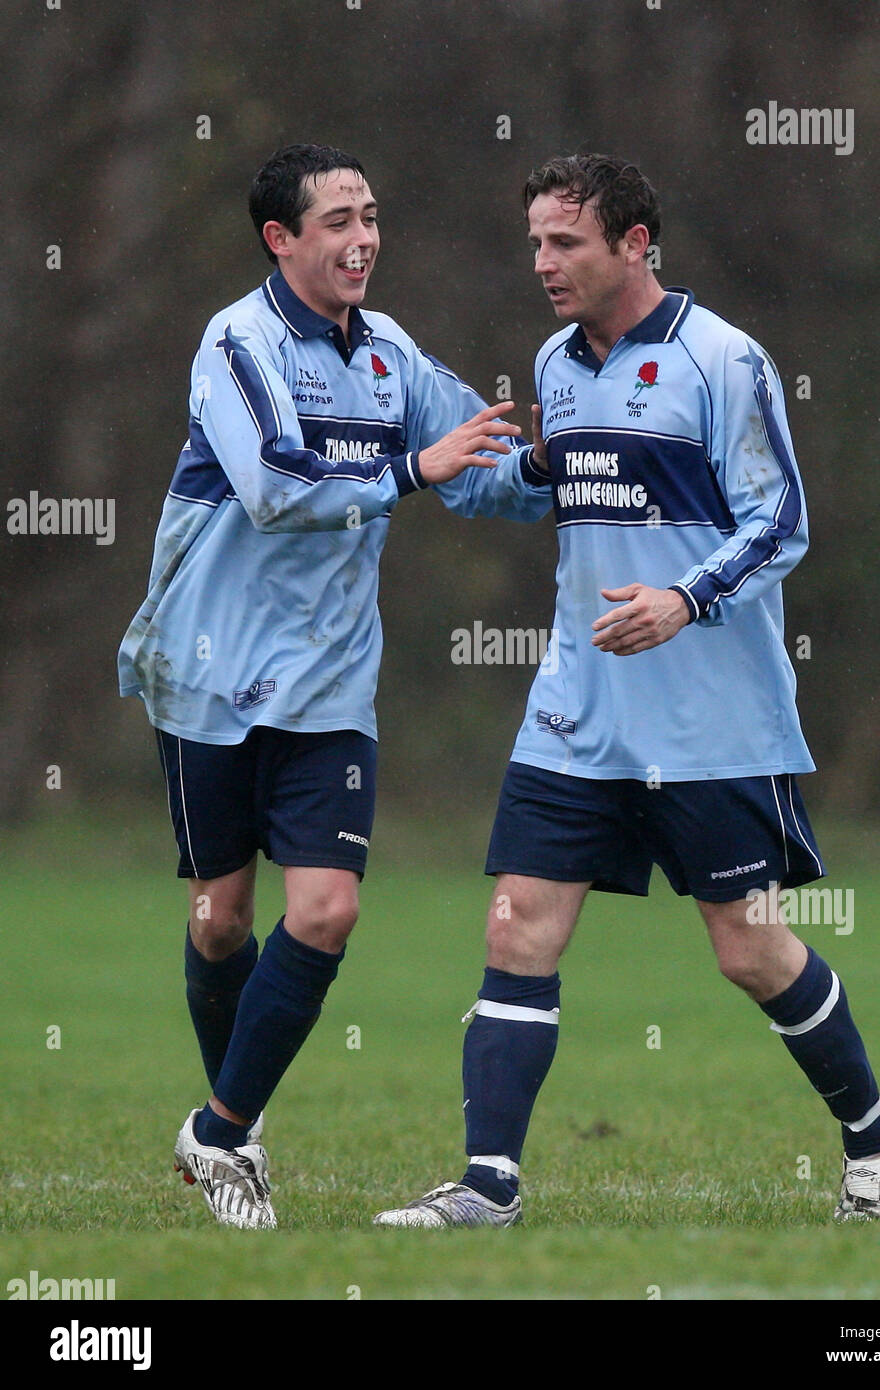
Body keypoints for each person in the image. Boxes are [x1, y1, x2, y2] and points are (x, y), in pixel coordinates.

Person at [374, 153, 880, 1230]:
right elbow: (559, 483)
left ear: (634, 244)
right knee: (517, 922)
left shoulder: (724, 360)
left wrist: (682, 597)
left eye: (564, 241)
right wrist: (465, 468)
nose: (543, 262)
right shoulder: (557, 364)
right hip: (578, 711)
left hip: (711, 721)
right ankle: (489, 1184)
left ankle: (872, 1135)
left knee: (747, 946)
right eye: (534, 240)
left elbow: (778, 521)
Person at [117, 143, 553, 1229]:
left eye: (372, 215)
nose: (364, 238)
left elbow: (480, 466)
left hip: (330, 692)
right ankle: (242, 1137)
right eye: (339, 221)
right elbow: (271, 487)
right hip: (208, 675)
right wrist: (411, 472)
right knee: (221, 923)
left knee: (327, 910)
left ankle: (216, 1132)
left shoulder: (391, 354)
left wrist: (566, 466)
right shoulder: (237, 342)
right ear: (282, 239)